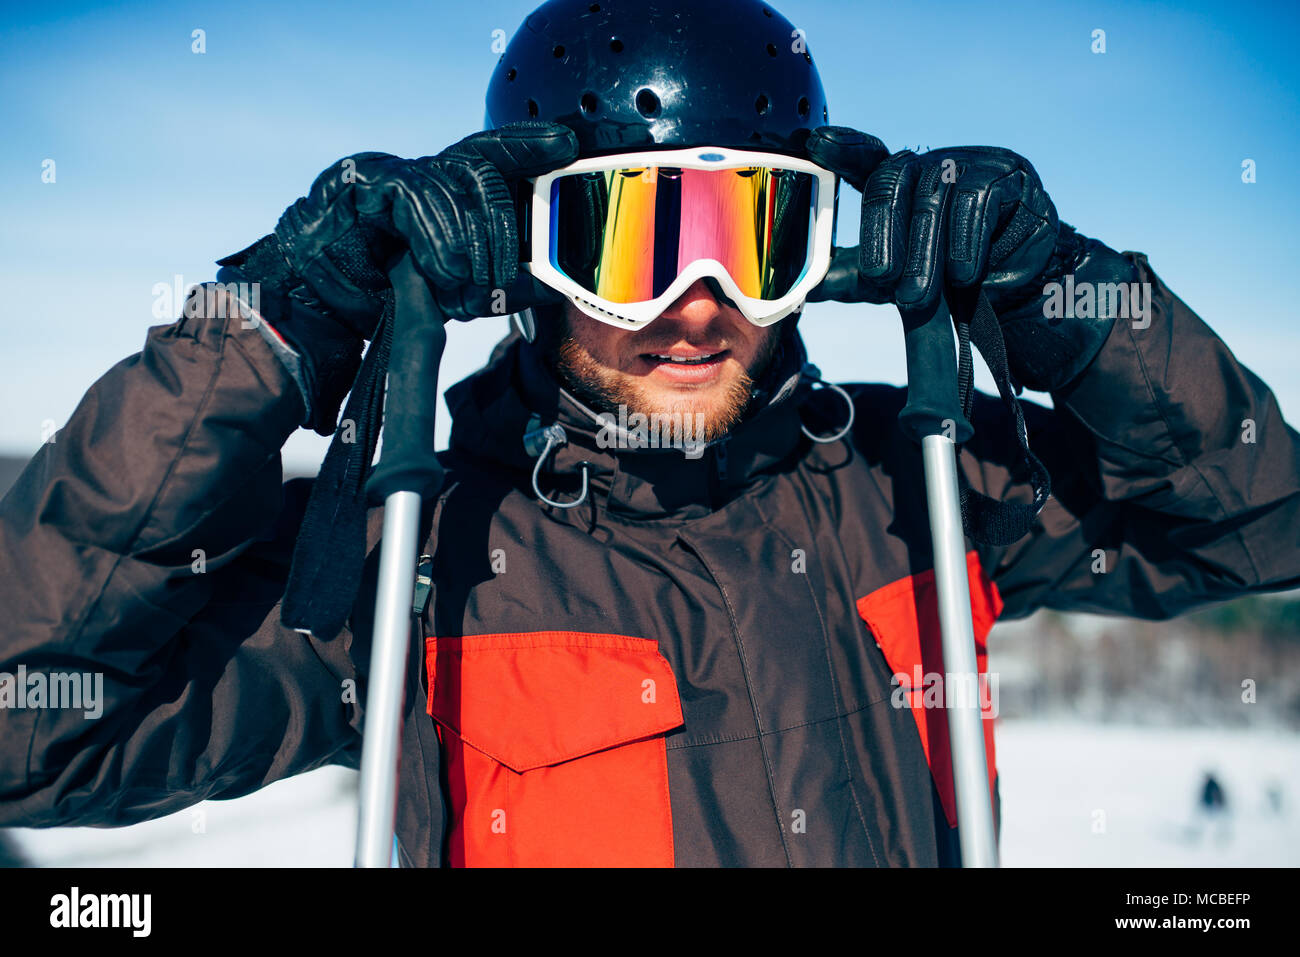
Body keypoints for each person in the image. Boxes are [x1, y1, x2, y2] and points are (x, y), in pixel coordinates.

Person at [1, 0, 1298, 867]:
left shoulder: (921, 483)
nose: (693, 306)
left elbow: (1257, 524)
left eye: (753, 238)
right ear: (533, 257)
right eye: (627, 239)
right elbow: (33, 729)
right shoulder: (418, 565)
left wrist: (1066, 302)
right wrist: (278, 329)